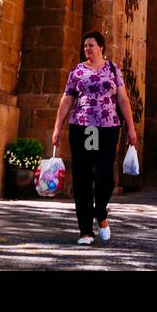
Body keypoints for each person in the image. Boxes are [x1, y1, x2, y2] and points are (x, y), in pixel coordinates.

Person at [52, 29, 138, 246]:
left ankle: (100, 212)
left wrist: (131, 127)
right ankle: (85, 231)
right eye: (85, 46)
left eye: (91, 45)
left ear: (101, 47)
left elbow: (123, 100)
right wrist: (57, 128)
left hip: (107, 128)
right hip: (82, 128)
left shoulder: (112, 69)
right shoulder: (77, 71)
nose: (87, 48)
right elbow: (66, 100)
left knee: (105, 175)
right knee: (82, 178)